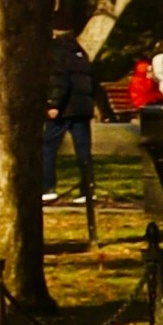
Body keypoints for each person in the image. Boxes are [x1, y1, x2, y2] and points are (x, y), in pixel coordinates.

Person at [41, 25, 100, 224]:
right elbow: (90, 79)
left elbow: (59, 79)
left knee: (48, 146)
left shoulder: (55, 51)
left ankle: (48, 187)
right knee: (83, 150)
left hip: (65, 108)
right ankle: (88, 189)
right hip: (82, 108)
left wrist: (53, 104)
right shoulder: (79, 51)